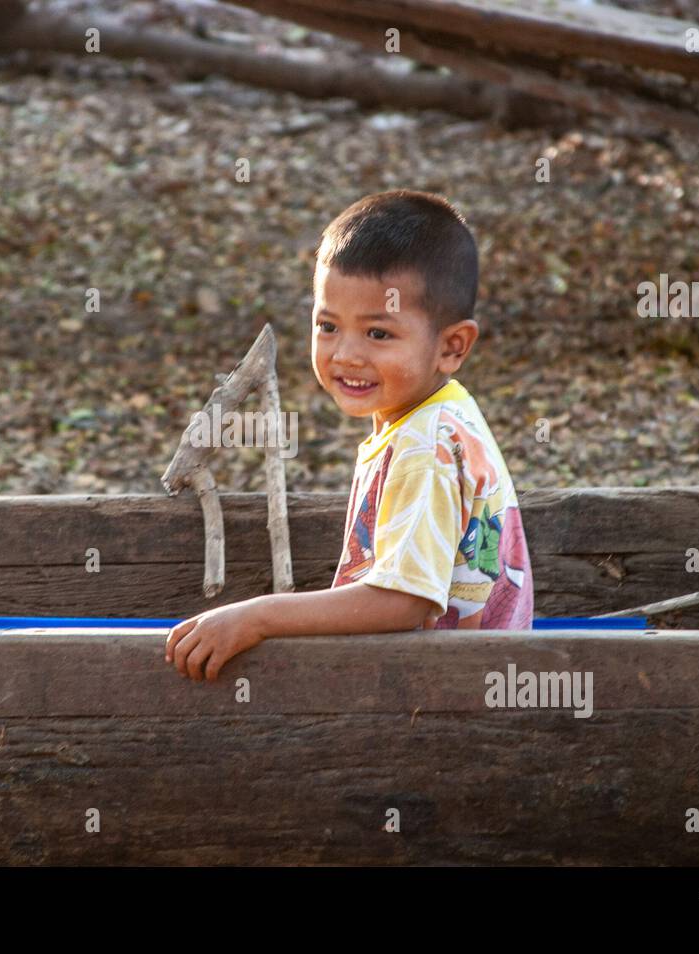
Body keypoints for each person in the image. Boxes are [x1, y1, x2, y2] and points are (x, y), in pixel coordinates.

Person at [166, 189, 533, 681]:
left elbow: (402, 603)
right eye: (328, 325)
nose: (346, 355)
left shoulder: (424, 446)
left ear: (452, 346)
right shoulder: (438, 413)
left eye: (378, 333)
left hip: (448, 695)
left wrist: (257, 617)